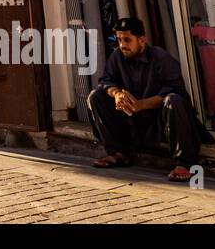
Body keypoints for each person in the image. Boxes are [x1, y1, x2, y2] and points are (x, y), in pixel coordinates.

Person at [86, 16, 207, 182]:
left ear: (142, 40)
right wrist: (117, 94)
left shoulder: (161, 58)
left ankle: (185, 164)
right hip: (131, 121)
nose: (122, 45)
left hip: (159, 123)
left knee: (174, 100)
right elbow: (105, 81)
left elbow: (176, 90)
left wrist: (142, 105)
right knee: (96, 96)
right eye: (119, 40)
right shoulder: (117, 56)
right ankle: (118, 153)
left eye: (127, 40)